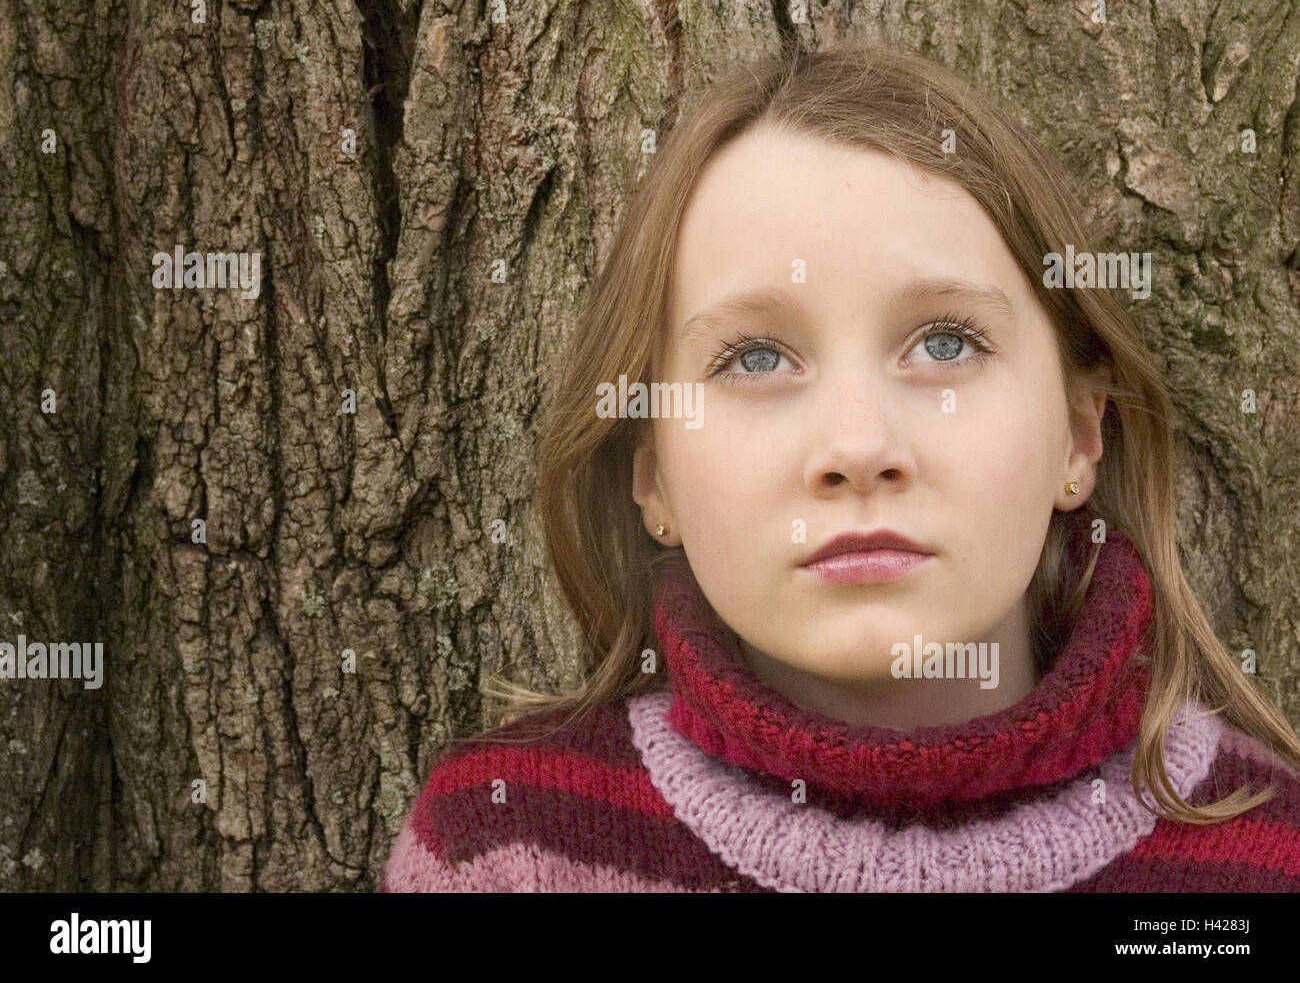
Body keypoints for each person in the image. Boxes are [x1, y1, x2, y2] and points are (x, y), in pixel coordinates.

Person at [381, 43, 1300, 892]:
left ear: (1078, 435)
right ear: (655, 474)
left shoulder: (1268, 857)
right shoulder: (506, 849)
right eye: (754, 359)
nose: (860, 449)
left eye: (946, 342)